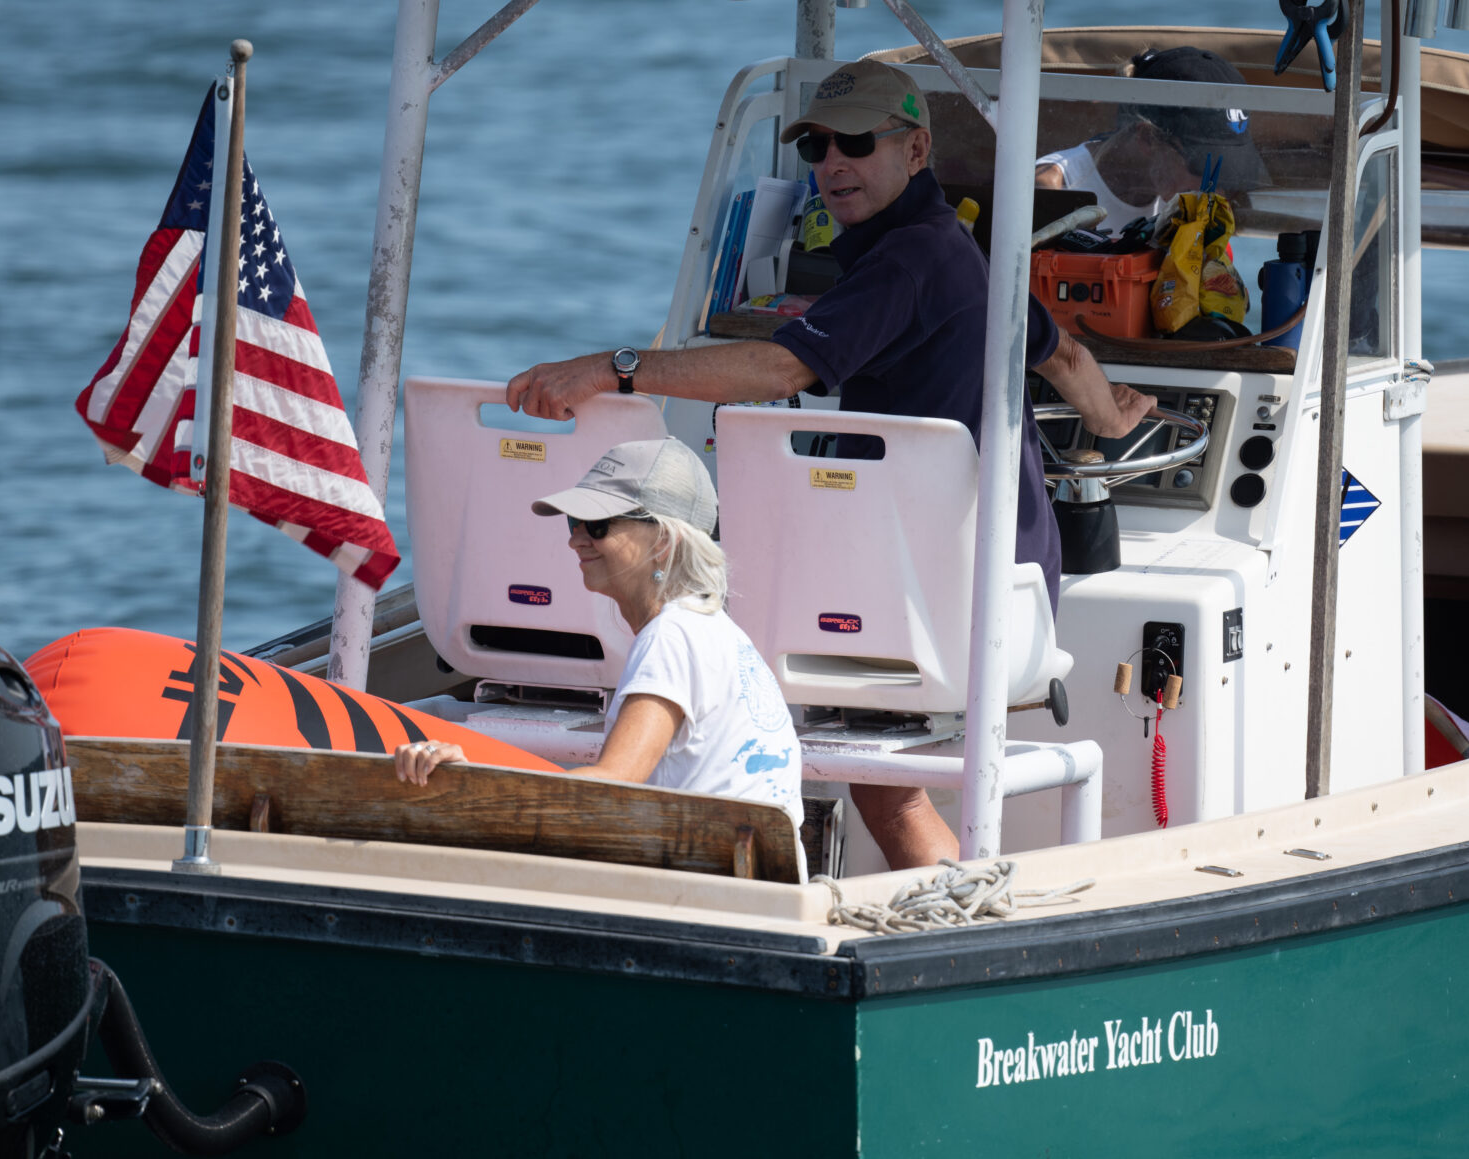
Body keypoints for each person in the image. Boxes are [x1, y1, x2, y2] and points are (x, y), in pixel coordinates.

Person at [503, 57, 1154, 872]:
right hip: (985, 580)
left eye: (855, 143)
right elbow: (1062, 358)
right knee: (883, 786)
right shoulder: (955, 253)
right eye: (815, 147)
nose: (831, 164)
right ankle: (947, 911)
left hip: (942, 595)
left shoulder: (908, 260)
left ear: (916, 150)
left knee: (706, 599)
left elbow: (782, 371)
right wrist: (1111, 416)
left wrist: (612, 367)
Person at [393, 438, 802, 843]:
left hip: (718, 893)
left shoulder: (671, 636)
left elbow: (611, 784)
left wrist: (473, 775)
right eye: (574, 524)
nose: (575, 540)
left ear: (663, 541)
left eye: (597, 526)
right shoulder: (715, 630)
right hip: (744, 880)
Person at [1034, 46, 1267, 220]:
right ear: (1147, 139)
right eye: (1203, 166)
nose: (1218, 191)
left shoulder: (1192, 202)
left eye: (1228, 171)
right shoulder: (1057, 188)